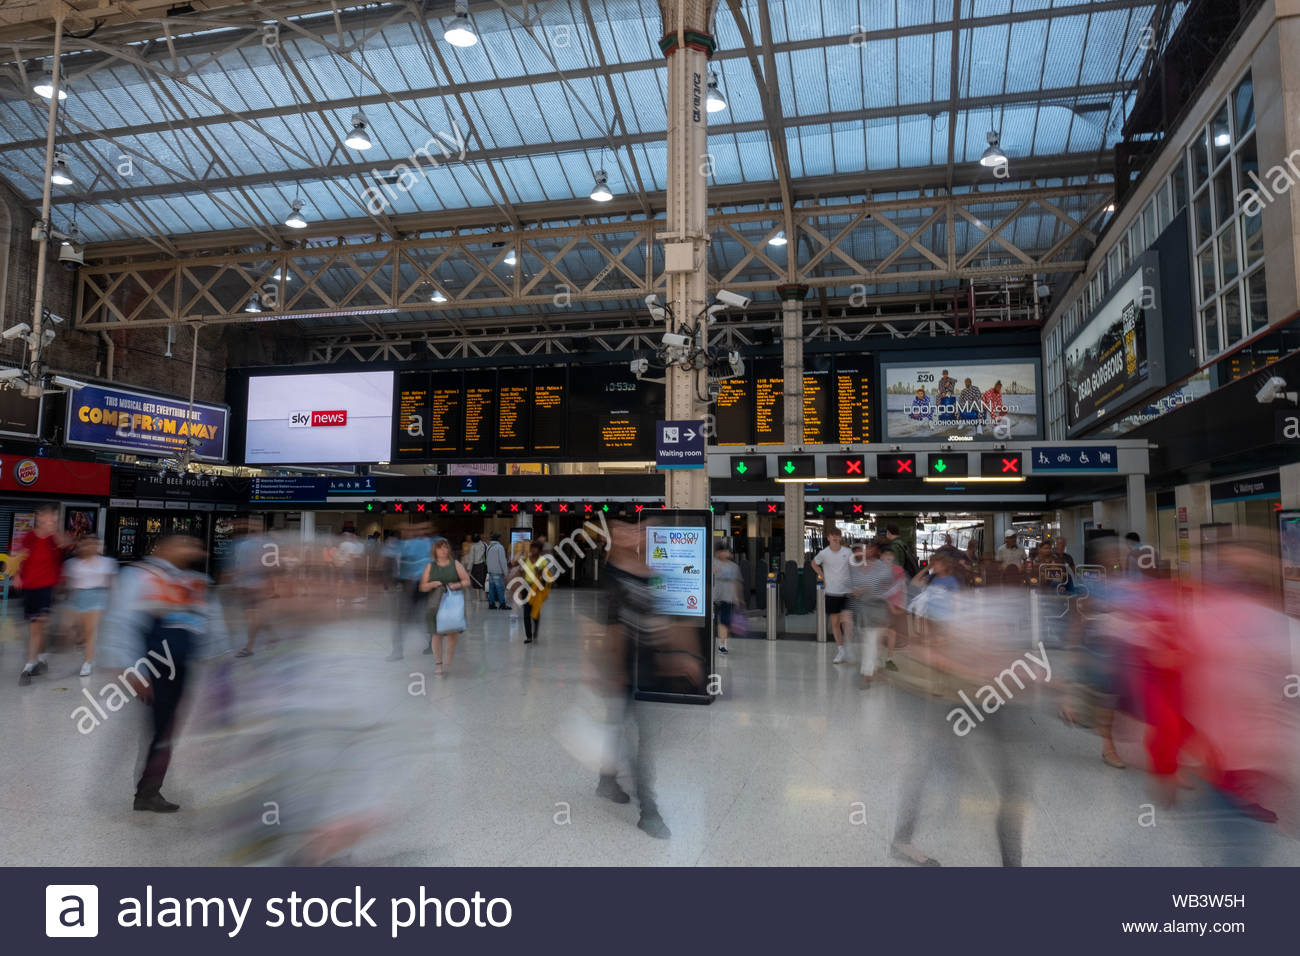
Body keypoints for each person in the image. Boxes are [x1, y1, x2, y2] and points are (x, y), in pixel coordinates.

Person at [97, 534, 230, 812]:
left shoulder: (194, 581)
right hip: (154, 667)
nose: (193, 548)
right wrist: (133, 670)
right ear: (163, 547)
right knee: (162, 730)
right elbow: (122, 622)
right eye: (183, 543)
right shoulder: (140, 576)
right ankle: (147, 791)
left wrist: (218, 662)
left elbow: (206, 622)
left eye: (194, 543)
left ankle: (149, 787)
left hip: (180, 667)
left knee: (164, 729)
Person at [15, 503, 71, 685]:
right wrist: (16, 575)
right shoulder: (29, 537)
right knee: (35, 626)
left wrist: (53, 530)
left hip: (46, 587)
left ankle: (30, 663)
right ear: (38, 517)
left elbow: (66, 543)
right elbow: (20, 556)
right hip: (30, 586)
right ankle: (39, 657)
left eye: (52, 517)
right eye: (44, 516)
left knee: (38, 624)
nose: (48, 519)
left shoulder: (55, 538)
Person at [62, 536, 118, 677]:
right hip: (77, 597)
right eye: (85, 544)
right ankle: (86, 647)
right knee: (73, 630)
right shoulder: (71, 564)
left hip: (97, 596)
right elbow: (68, 584)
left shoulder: (107, 563)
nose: (88, 547)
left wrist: (113, 603)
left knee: (90, 631)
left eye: (93, 544)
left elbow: (112, 584)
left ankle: (87, 662)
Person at [419, 538, 472, 677]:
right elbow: (423, 586)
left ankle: (447, 663)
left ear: (449, 550)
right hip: (435, 605)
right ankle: (438, 664)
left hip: (452, 605)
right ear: (435, 550)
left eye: (445, 547)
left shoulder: (455, 564)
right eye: (440, 547)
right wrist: (432, 584)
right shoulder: (430, 566)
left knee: (452, 634)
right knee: (436, 635)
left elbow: (467, 580)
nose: (443, 550)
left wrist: (457, 585)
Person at [387, 522, 439, 660]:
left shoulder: (433, 543)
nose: (419, 531)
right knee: (406, 618)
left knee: (422, 618)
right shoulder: (405, 544)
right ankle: (398, 650)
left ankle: (431, 644)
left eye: (424, 529)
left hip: (424, 585)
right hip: (410, 586)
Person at [850, 540, 895, 686]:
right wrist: (855, 590)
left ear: (875, 550)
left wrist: (868, 590)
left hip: (878, 609)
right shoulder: (857, 567)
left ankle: (867, 673)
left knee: (870, 641)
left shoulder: (882, 567)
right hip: (862, 609)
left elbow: (890, 585)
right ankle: (874, 667)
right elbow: (851, 583)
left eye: (870, 548)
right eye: (865, 548)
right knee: (870, 642)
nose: (867, 551)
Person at [813, 526, 854, 664]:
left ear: (841, 538)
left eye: (838, 536)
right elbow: (814, 563)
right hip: (831, 592)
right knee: (835, 623)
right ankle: (841, 650)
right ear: (828, 538)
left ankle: (849, 648)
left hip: (847, 592)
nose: (835, 538)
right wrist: (821, 575)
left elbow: (856, 566)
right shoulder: (824, 553)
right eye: (833, 536)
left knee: (847, 621)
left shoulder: (848, 552)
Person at [713, 545, 743, 655]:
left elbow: (737, 582)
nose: (727, 554)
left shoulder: (733, 566)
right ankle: (721, 644)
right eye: (724, 551)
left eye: (727, 551)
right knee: (717, 621)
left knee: (724, 622)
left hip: (728, 598)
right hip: (714, 597)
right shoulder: (712, 563)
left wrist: (739, 598)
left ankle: (722, 644)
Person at [521, 542, 552, 644]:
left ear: (539, 550)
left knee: (535, 611)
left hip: (536, 588)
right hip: (526, 587)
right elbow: (523, 573)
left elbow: (546, 576)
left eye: (535, 548)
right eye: (532, 548)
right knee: (526, 612)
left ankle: (536, 630)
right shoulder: (526, 559)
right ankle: (529, 636)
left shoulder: (542, 561)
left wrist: (539, 571)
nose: (533, 550)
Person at [484, 532, 508, 609]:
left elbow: (487, 559)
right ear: (498, 539)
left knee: (491, 589)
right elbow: (502, 561)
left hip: (490, 571)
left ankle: (491, 604)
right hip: (498, 572)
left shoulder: (489, 547)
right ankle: (502, 604)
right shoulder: (499, 547)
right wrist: (505, 572)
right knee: (500, 588)